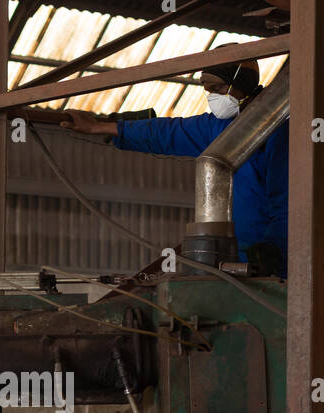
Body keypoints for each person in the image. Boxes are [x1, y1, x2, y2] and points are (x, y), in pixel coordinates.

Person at [62, 57, 289, 274]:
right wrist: (100, 127)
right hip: (233, 258)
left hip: (270, 262)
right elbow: (167, 133)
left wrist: (274, 253)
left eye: (218, 89)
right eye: (207, 90)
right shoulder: (217, 127)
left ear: (241, 85)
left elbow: (287, 204)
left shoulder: (278, 133)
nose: (211, 97)